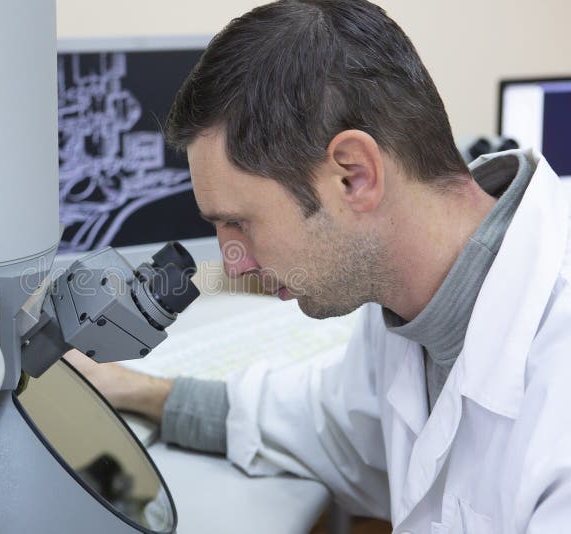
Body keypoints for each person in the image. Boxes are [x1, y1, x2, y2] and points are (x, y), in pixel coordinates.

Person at [66, 0, 571, 531]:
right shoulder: (407, 303)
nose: (234, 267)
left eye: (240, 222)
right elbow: (329, 426)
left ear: (353, 175)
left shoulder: (556, 373)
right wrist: (134, 390)